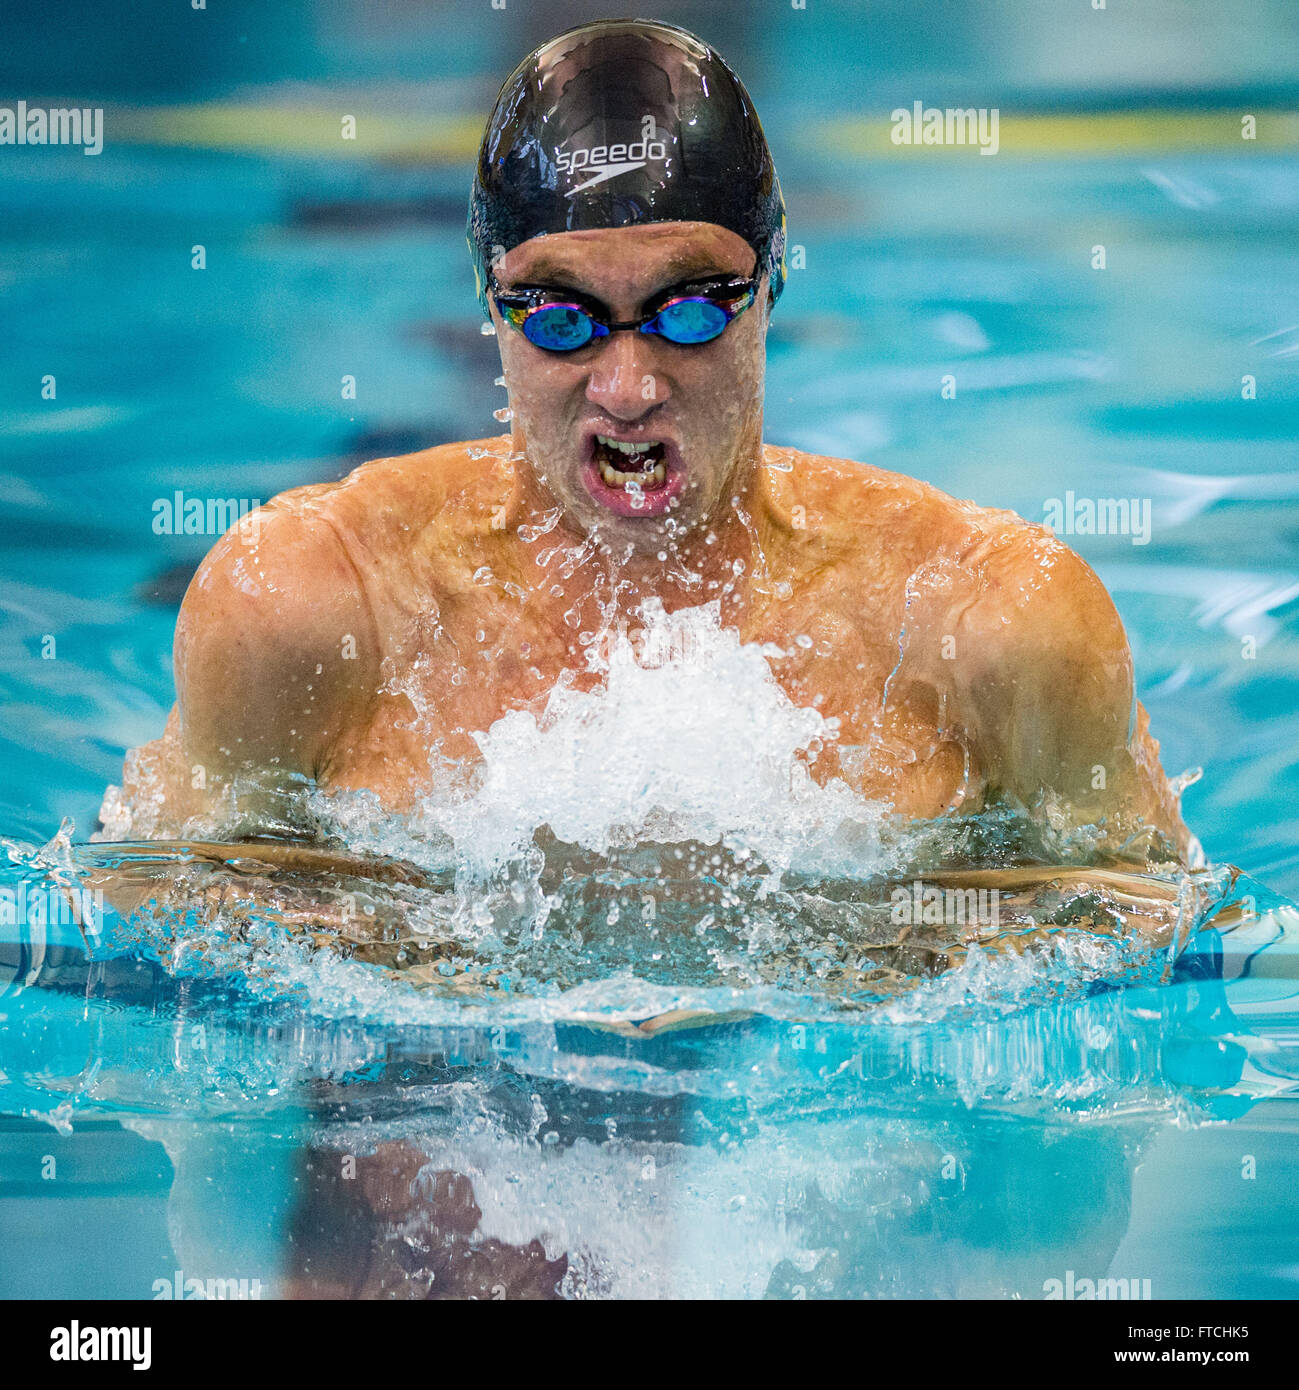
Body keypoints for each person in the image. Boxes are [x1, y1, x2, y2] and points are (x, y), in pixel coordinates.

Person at [113, 18, 1195, 864]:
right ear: (487, 308)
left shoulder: (996, 631)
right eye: (558, 316)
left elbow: (1146, 957)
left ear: (773, 285)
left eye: (689, 308)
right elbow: (159, 947)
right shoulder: (309, 609)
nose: (626, 387)